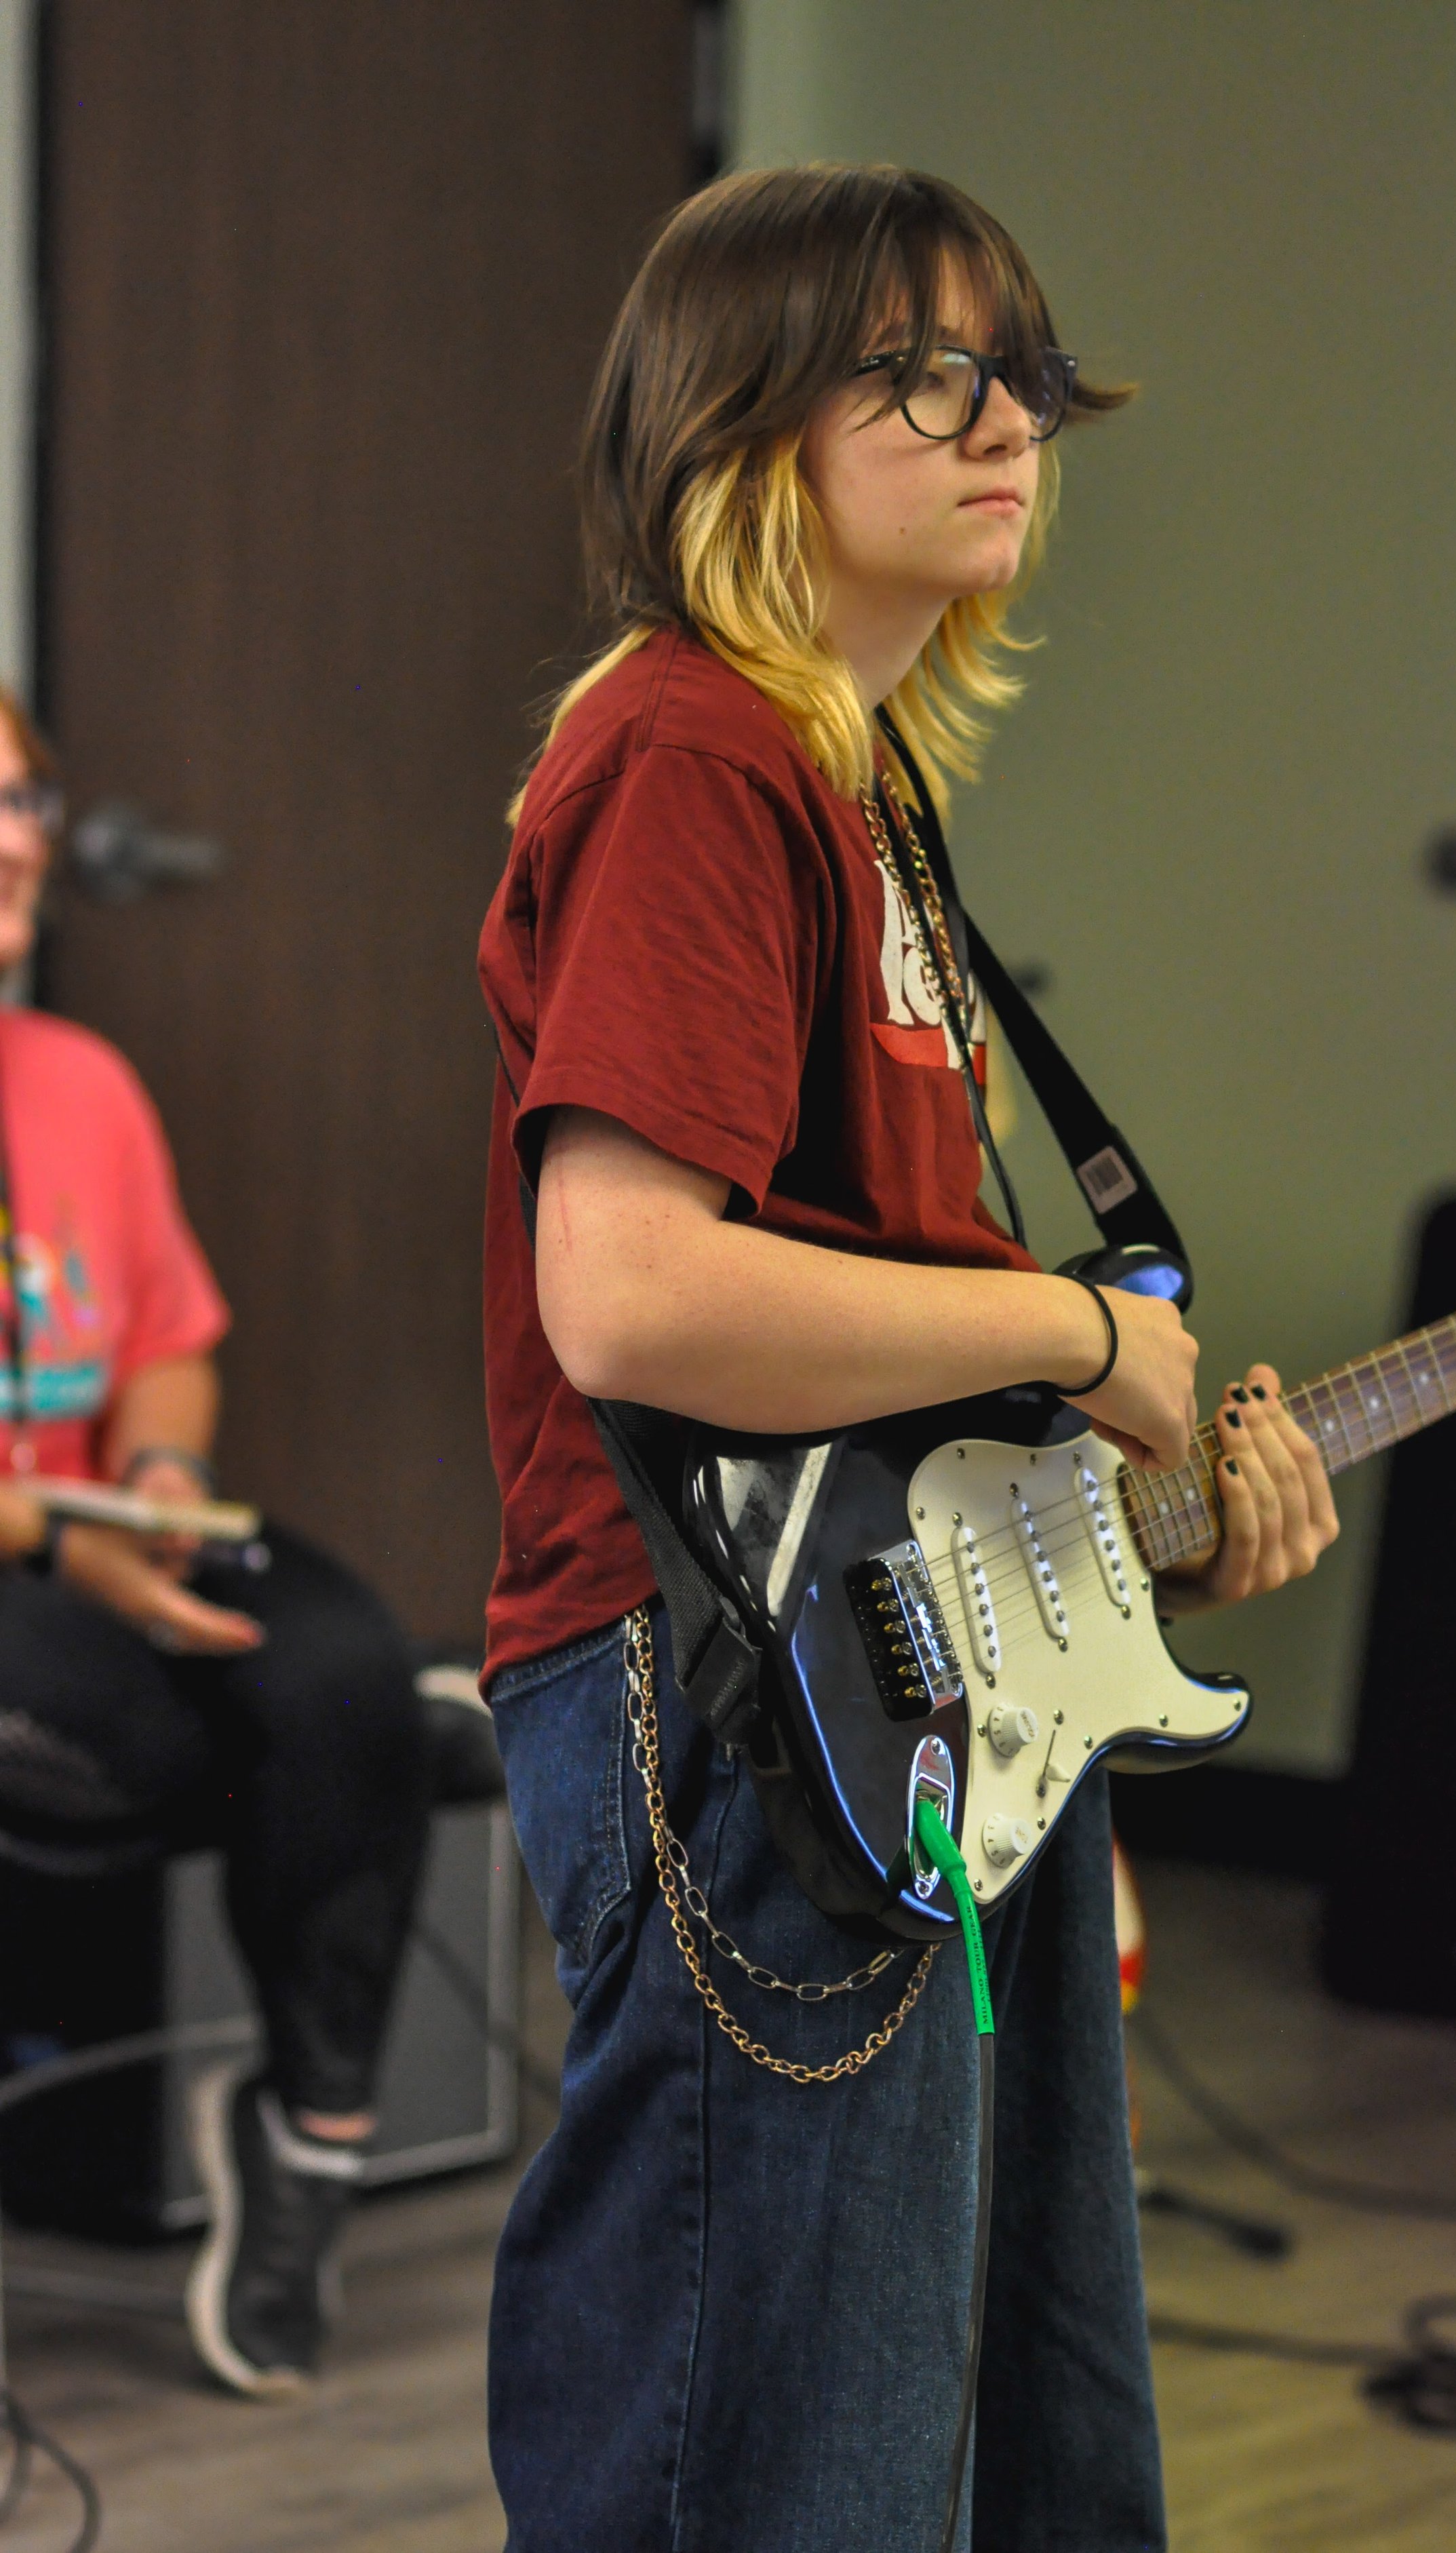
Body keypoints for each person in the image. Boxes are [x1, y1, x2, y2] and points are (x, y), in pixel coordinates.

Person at [479, 164, 1339, 2552]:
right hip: (729, 1690)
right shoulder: (693, 751)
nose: (1008, 426)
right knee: (783, 2470)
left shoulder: (860, 792)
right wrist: (1078, 1327)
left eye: (1022, 376)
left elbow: (881, 1372)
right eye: (927, 373)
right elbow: (630, 1294)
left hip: (890, 1690)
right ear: (739, 419)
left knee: (966, 2441)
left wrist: (1139, 1532)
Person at [0, 686, 434, 2397]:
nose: (18, 837)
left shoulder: (83, 1084)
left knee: (345, 1675)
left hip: (98, 1522)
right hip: (30, 1557)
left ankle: (307, 2138)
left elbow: (170, 1338)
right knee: (189, 1721)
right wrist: (57, 1542)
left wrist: (162, 1479)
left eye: (28, 799)